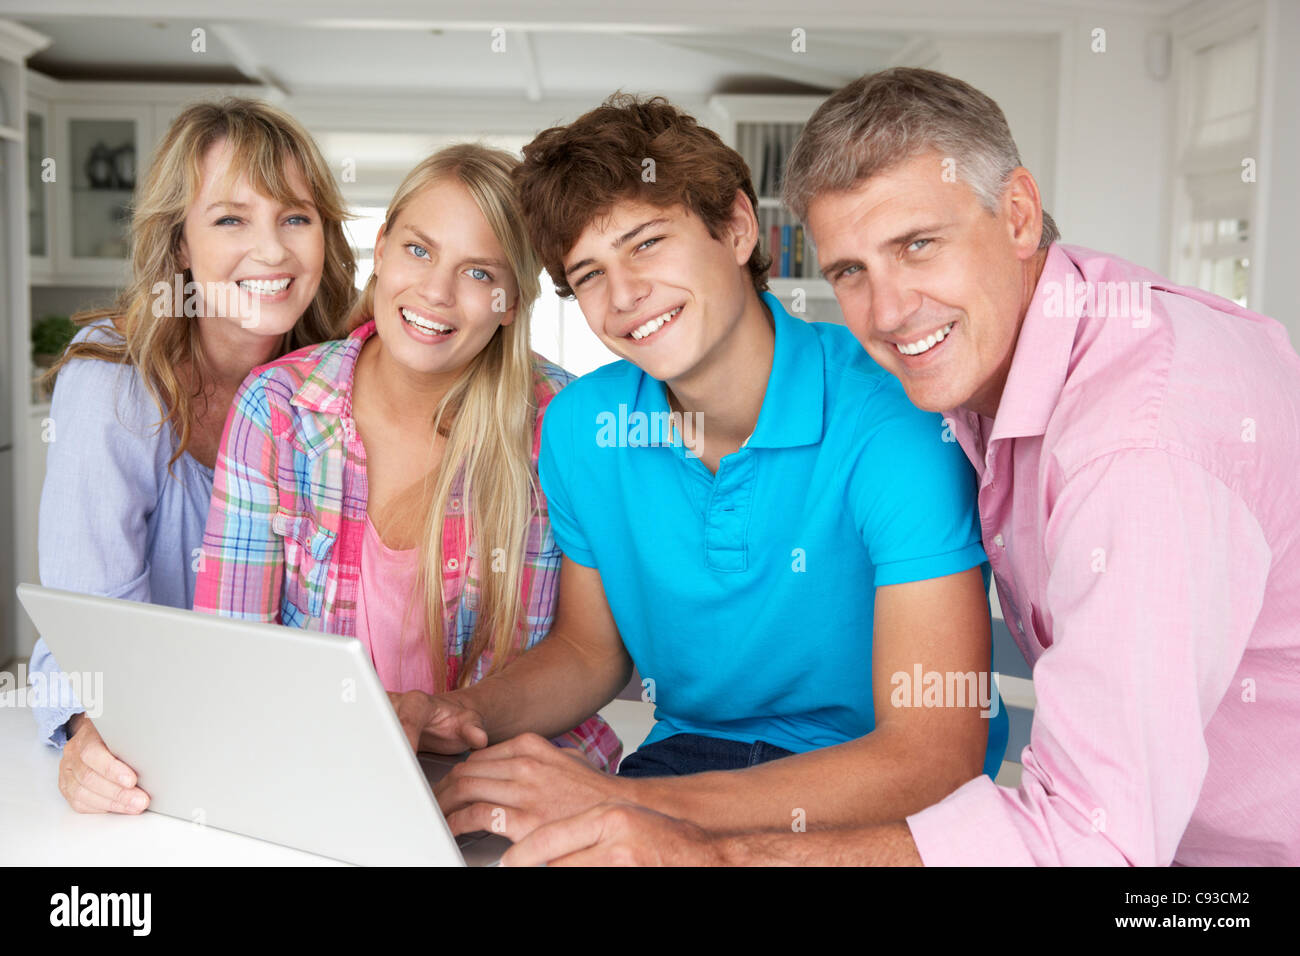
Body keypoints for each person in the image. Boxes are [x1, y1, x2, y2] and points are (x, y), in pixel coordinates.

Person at [504, 67, 1300, 866]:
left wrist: (702, 850)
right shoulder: (1002, 367)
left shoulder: (1136, 448)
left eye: (918, 244)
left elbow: (1088, 844)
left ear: (1018, 213)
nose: (886, 316)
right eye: (851, 271)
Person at [421, 94, 1008, 845]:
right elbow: (588, 652)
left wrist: (631, 809)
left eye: (646, 244)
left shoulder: (893, 418)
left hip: (872, 800)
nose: (626, 296)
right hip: (685, 766)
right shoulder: (582, 427)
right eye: (590, 274)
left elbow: (932, 757)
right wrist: (461, 714)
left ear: (735, 227)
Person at [192, 144, 620, 772]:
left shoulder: (565, 424)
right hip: (317, 770)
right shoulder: (278, 408)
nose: (436, 292)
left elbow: (592, 653)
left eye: (480, 273)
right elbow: (230, 650)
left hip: (511, 772)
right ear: (383, 247)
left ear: (512, 303)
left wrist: (454, 715)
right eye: (419, 250)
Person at [31, 97, 356, 814]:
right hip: (160, 751)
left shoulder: (335, 379)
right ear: (180, 243)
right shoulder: (111, 387)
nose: (272, 251)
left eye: (296, 217)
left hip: (303, 740)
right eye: (231, 218)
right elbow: (87, 623)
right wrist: (88, 731)